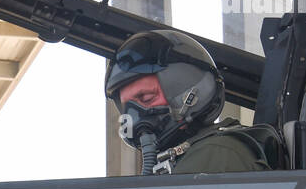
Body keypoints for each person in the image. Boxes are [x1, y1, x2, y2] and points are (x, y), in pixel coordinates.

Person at [105, 29, 278, 175]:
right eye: (127, 107)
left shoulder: (215, 154)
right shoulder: (184, 158)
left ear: (188, 95)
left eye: (147, 98)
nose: (134, 116)